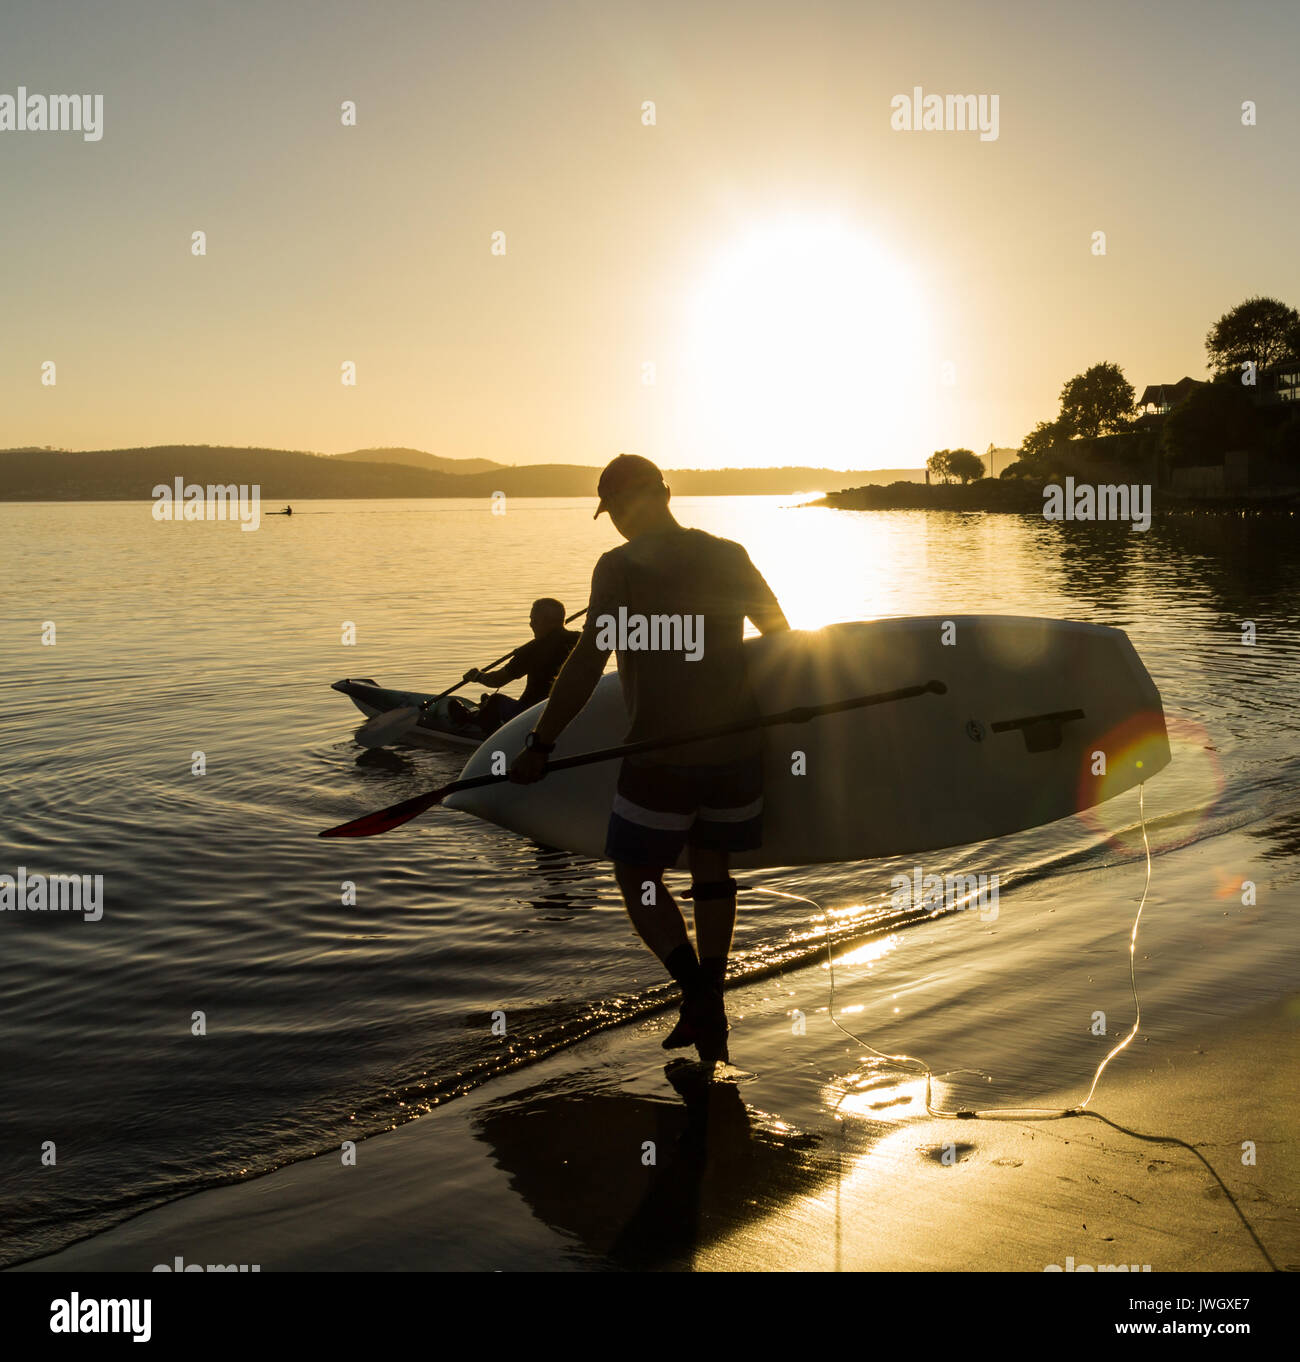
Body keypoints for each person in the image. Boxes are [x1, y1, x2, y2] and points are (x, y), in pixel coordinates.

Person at [509, 454, 789, 1066]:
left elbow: (587, 663)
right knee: (712, 873)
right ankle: (709, 1000)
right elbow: (782, 641)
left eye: (610, 512)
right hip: (739, 749)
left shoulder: (620, 566)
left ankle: (699, 997)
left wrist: (540, 743)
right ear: (665, 491)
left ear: (625, 508)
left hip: (661, 753)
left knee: (636, 875)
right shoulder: (729, 553)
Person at [452, 598, 579, 734]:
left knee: (496, 700)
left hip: (534, 714)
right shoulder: (579, 640)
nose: (531, 624)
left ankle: (472, 721)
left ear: (547, 621)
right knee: (490, 699)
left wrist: (477, 676)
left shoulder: (532, 650)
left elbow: (497, 680)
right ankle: (485, 706)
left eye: (534, 620)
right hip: (572, 709)